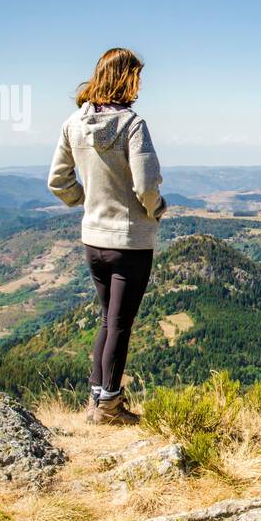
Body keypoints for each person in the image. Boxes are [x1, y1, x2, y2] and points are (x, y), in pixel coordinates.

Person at [47, 47, 166, 424]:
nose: (140, 84)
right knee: (120, 324)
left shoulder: (73, 123)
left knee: (107, 321)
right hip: (128, 240)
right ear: (126, 78)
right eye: (137, 77)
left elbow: (57, 181)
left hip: (93, 239)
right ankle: (110, 407)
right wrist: (155, 208)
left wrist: (86, 201)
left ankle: (97, 399)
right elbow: (146, 184)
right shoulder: (132, 125)